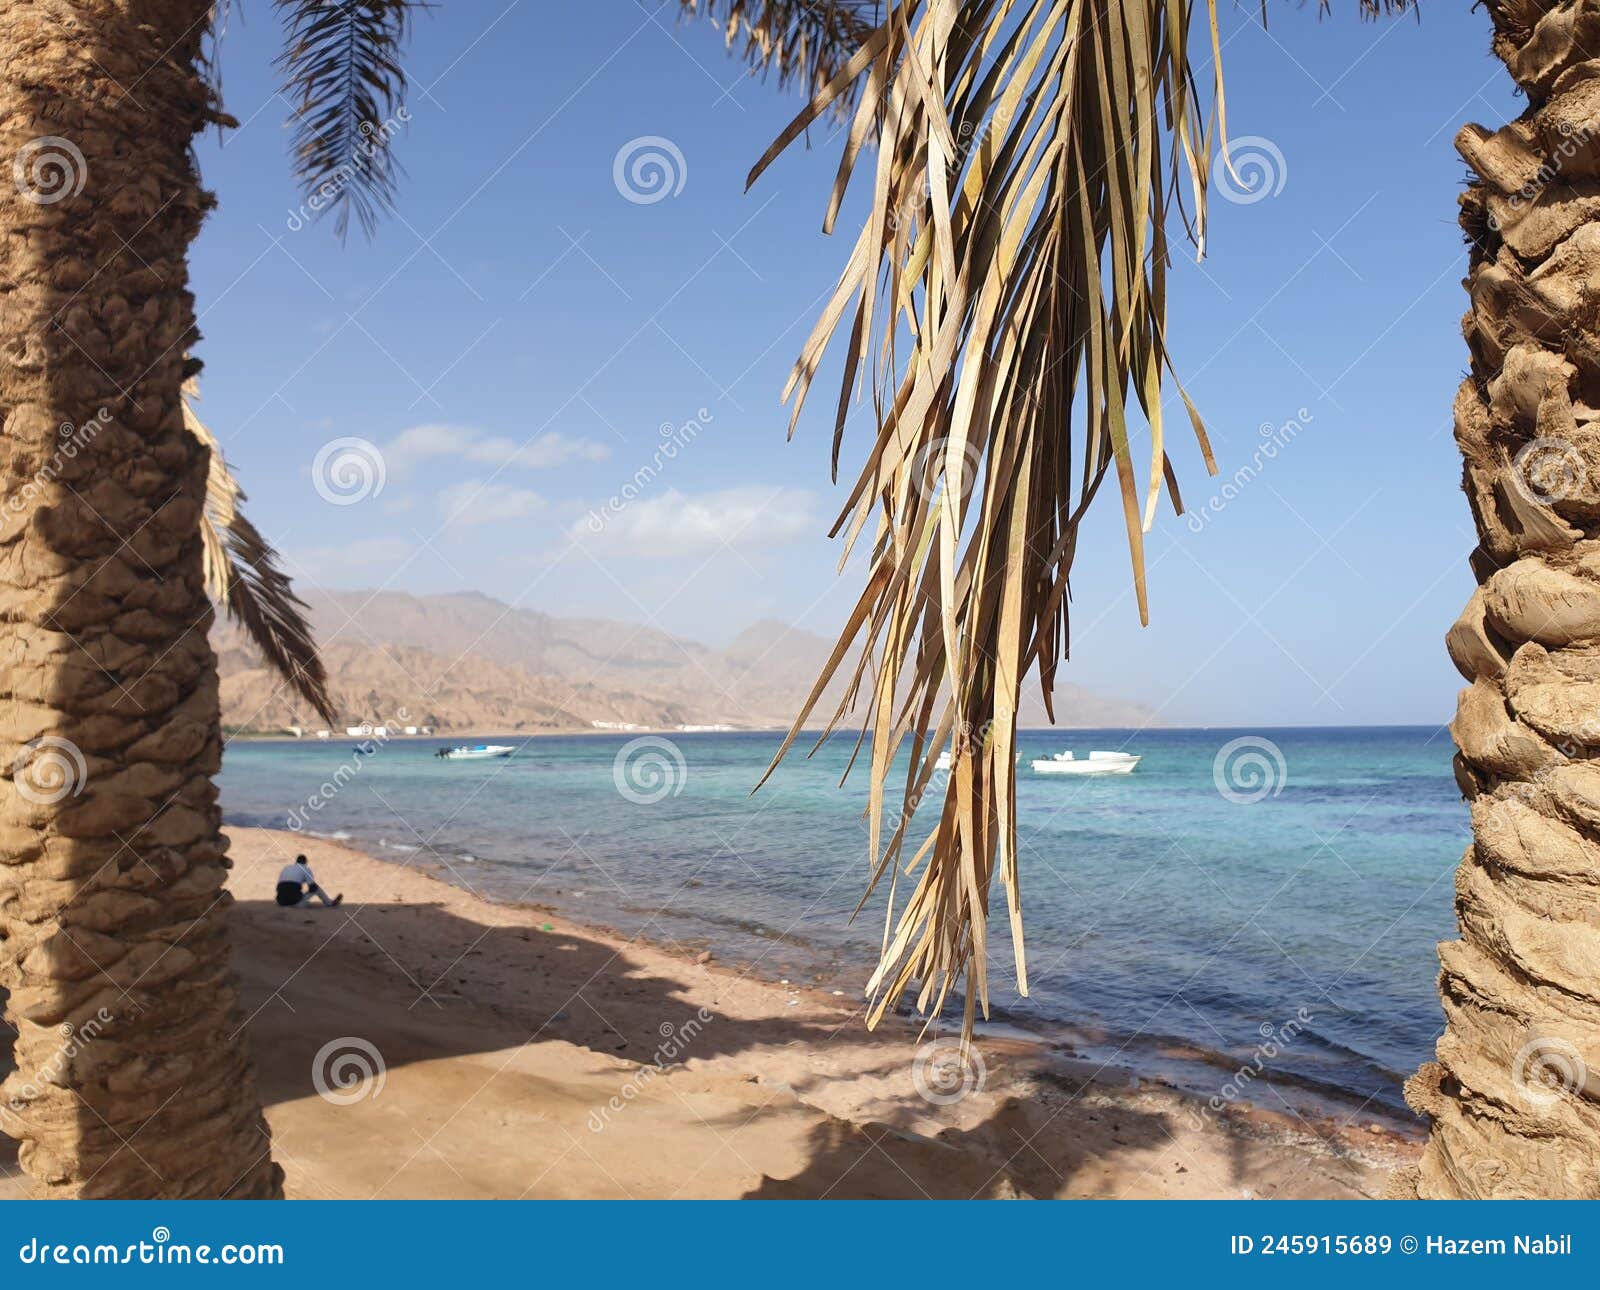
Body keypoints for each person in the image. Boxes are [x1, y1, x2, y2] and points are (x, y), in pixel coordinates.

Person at [276, 856, 342, 908]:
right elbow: (312, 887)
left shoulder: (286, 868)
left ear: (296, 862)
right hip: (295, 904)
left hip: (281, 902)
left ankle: (299, 900)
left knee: (291, 889)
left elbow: (280, 885)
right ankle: (330, 903)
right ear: (305, 862)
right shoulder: (306, 869)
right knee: (316, 887)